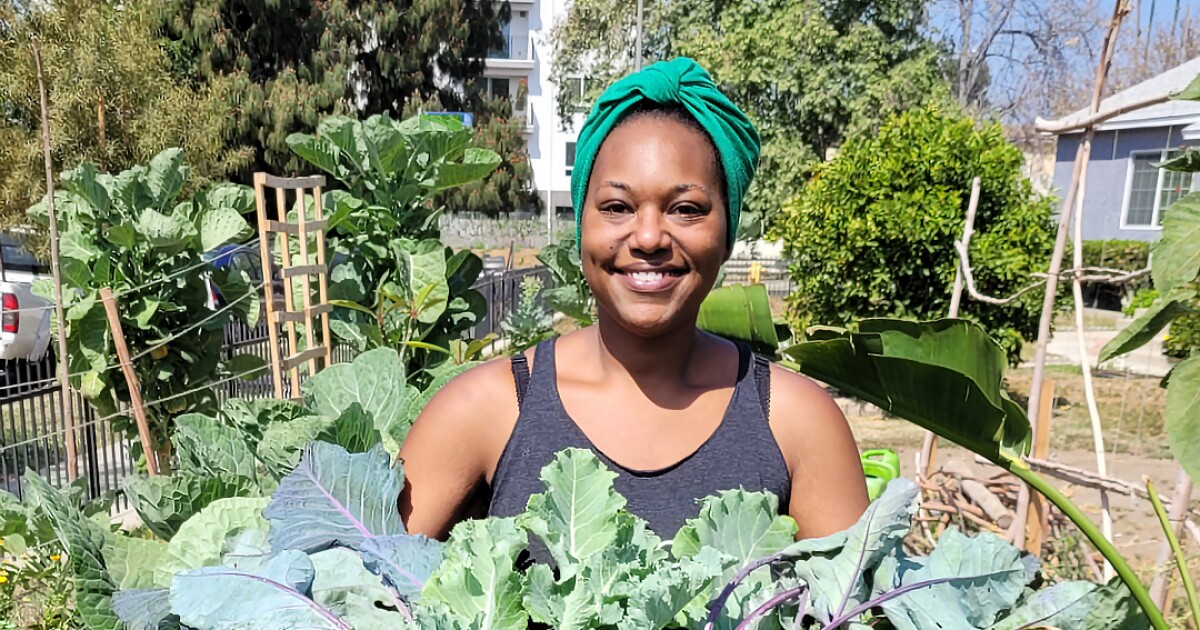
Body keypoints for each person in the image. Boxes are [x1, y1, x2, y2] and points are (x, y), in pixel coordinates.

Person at [399, 58, 868, 549]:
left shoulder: (799, 424)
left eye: (686, 209)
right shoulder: (483, 410)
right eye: (617, 208)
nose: (647, 237)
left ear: (727, 234)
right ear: (582, 228)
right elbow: (364, 591)